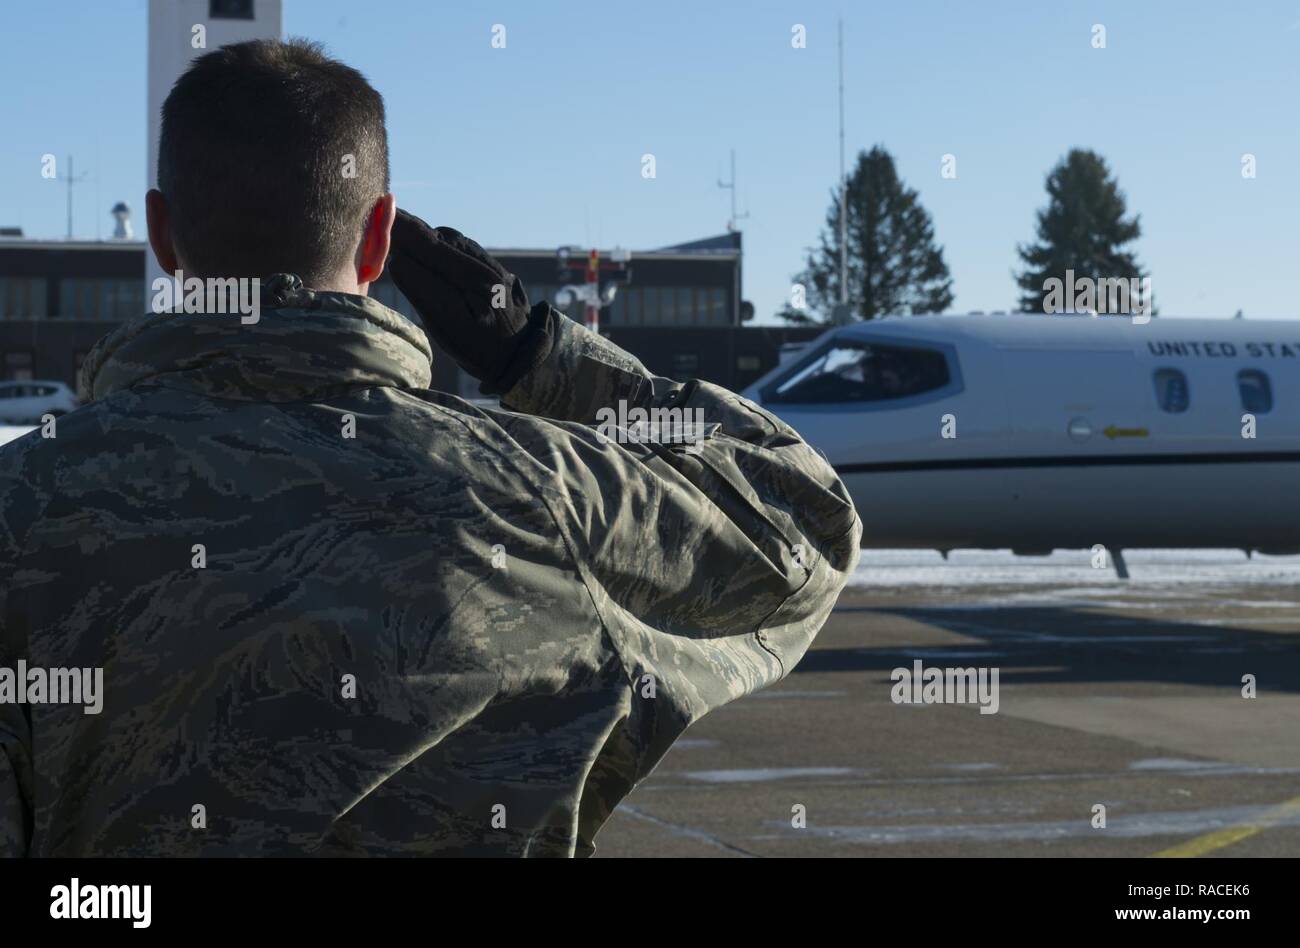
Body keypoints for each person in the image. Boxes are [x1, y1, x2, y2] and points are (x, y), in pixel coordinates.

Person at [0, 38, 860, 857]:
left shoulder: (23, 502)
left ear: (161, 235)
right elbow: (801, 517)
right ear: (378, 239)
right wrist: (540, 356)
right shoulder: (540, 493)